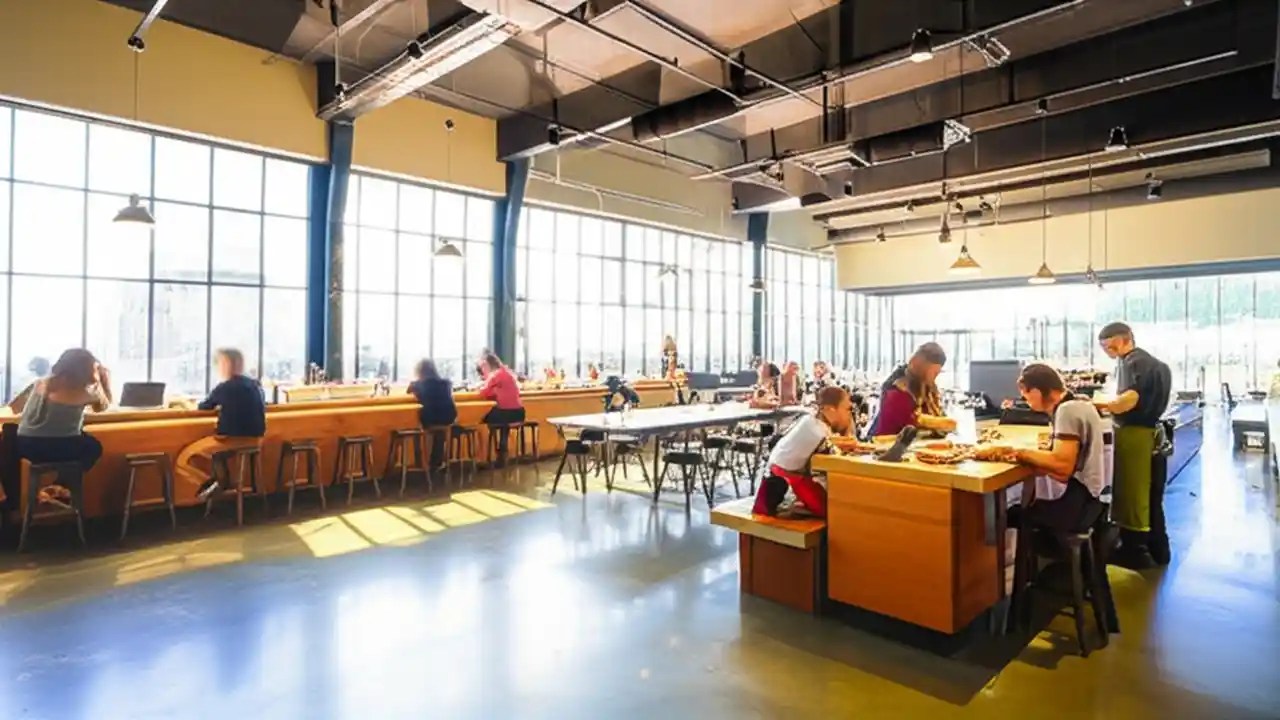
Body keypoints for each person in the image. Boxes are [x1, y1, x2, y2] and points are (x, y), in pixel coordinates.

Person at [994, 364, 1108, 532]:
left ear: (1035, 391)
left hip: (1077, 508)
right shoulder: (1081, 403)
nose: (1026, 401)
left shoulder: (1067, 410)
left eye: (1026, 395)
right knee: (1023, 508)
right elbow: (1061, 469)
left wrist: (1018, 453)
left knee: (1010, 515)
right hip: (1091, 504)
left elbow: (1062, 466)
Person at [1096, 322, 1173, 568]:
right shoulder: (1158, 365)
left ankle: (1134, 553)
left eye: (1108, 346)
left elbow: (1129, 400)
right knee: (1152, 496)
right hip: (1154, 433)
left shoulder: (1131, 362)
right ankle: (1159, 550)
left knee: (1132, 496)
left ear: (1122, 340)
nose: (1107, 351)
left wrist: (1097, 405)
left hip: (1134, 435)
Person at [8, 349, 111, 505]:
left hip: (24, 446)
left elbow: (15, 407)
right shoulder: (85, 393)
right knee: (94, 447)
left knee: (79, 437)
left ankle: (50, 489)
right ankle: (61, 485)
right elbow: (103, 406)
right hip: (59, 449)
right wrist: (103, 380)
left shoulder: (39, 383)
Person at [177, 348, 267, 501]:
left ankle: (213, 484)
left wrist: (184, 403)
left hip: (230, 440)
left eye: (219, 363)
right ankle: (219, 482)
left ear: (227, 364)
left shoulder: (225, 387)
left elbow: (203, 408)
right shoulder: (255, 385)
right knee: (217, 455)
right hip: (256, 440)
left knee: (184, 460)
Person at [752, 386, 855, 518]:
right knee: (838, 510)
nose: (849, 415)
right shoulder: (817, 431)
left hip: (773, 483)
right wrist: (848, 432)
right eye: (847, 409)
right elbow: (836, 462)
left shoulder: (811, 421)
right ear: (830, 409)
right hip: (781, 491)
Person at [870, 342, 956, 437]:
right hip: (888, 443)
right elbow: (911, 421)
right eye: (934, 372)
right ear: (922, 367)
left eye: (937, 373)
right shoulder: (896, 392)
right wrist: (940, 423)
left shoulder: (927, 389)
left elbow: (940, 418)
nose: (934, 377)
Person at [408, 359, 457, 469]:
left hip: (430, 418)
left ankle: (422, 463)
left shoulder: (418, 384)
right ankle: (436, 462)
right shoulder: (446, 383)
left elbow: (408, 392)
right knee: (440, 431)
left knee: (419, 430)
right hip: (449, 417)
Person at [478, 352, 525, 463]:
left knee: (481, 418)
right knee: (503, 423)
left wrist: (485, 388)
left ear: (487, 364)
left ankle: (486, 455)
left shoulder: (495, 375)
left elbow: (484, 392)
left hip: (506, 413)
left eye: (483, 367)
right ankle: (502, 450)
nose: (482, 370)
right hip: (519, 413)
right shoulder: (507, 373)